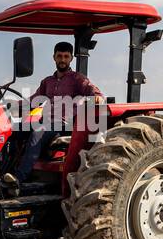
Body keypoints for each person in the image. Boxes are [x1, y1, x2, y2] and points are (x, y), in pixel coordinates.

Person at [6, 41, 104, 185]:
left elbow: (92, 90)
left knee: (37, 132)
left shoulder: (77, 79)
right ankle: (4, 172)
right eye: (59, 56)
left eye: (66, 56)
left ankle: (19, 179)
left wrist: (97, 96)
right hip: (46, 121)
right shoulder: (48, 81)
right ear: (54, 57)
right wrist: (13, 106)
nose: (62, 60)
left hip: (64, 124)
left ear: (71, 58)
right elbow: (34, 100)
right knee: (11, 131)